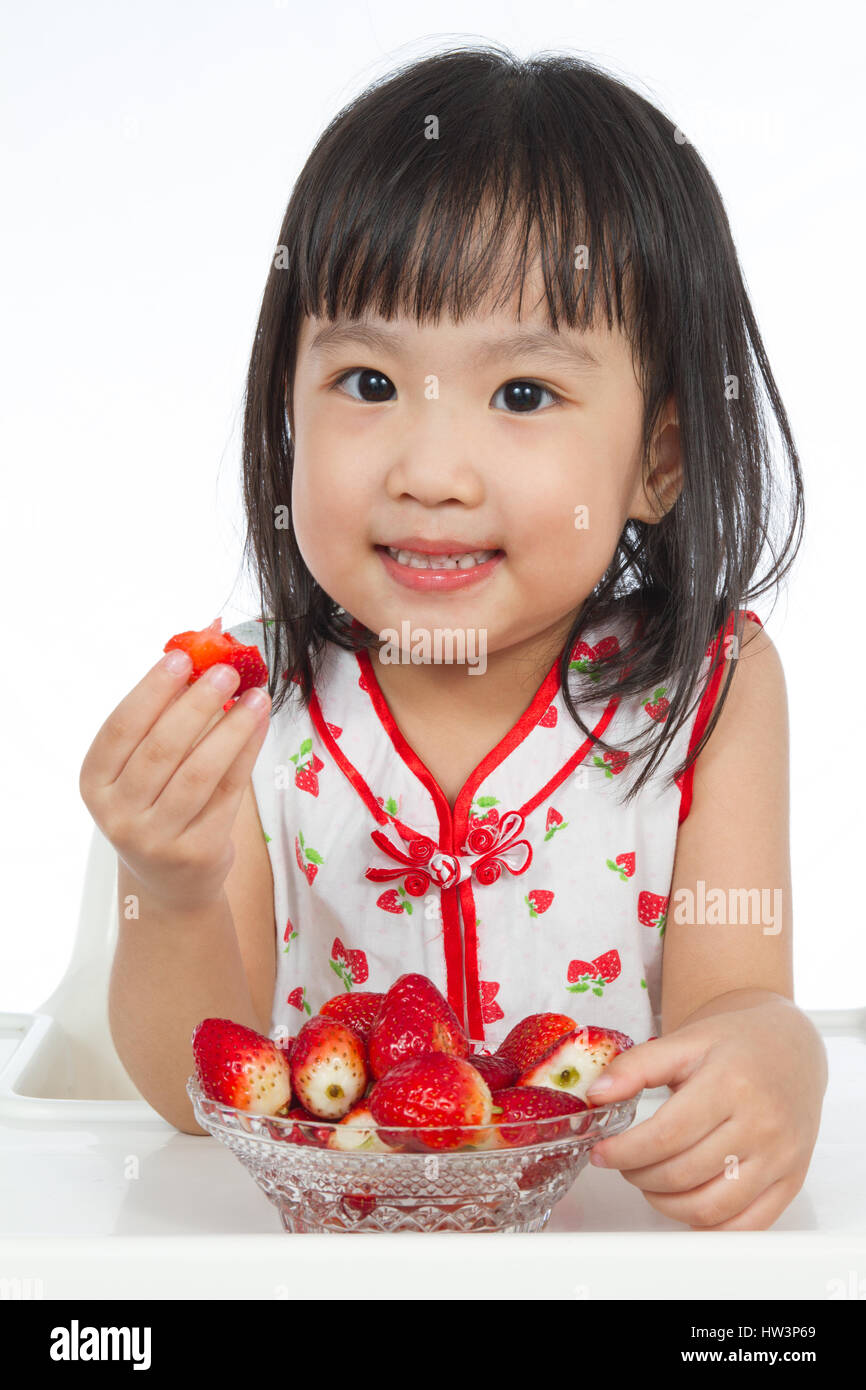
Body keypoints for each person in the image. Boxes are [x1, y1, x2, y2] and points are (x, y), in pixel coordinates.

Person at [79, 45, 827, 1229]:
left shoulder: (710, 688)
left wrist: (779, 1058)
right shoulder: (252, 697)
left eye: (522, 395)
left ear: (658, 458)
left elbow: (734, 1003)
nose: (428, 472)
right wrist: (165, 892)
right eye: (367, 382)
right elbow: (191, 1092)